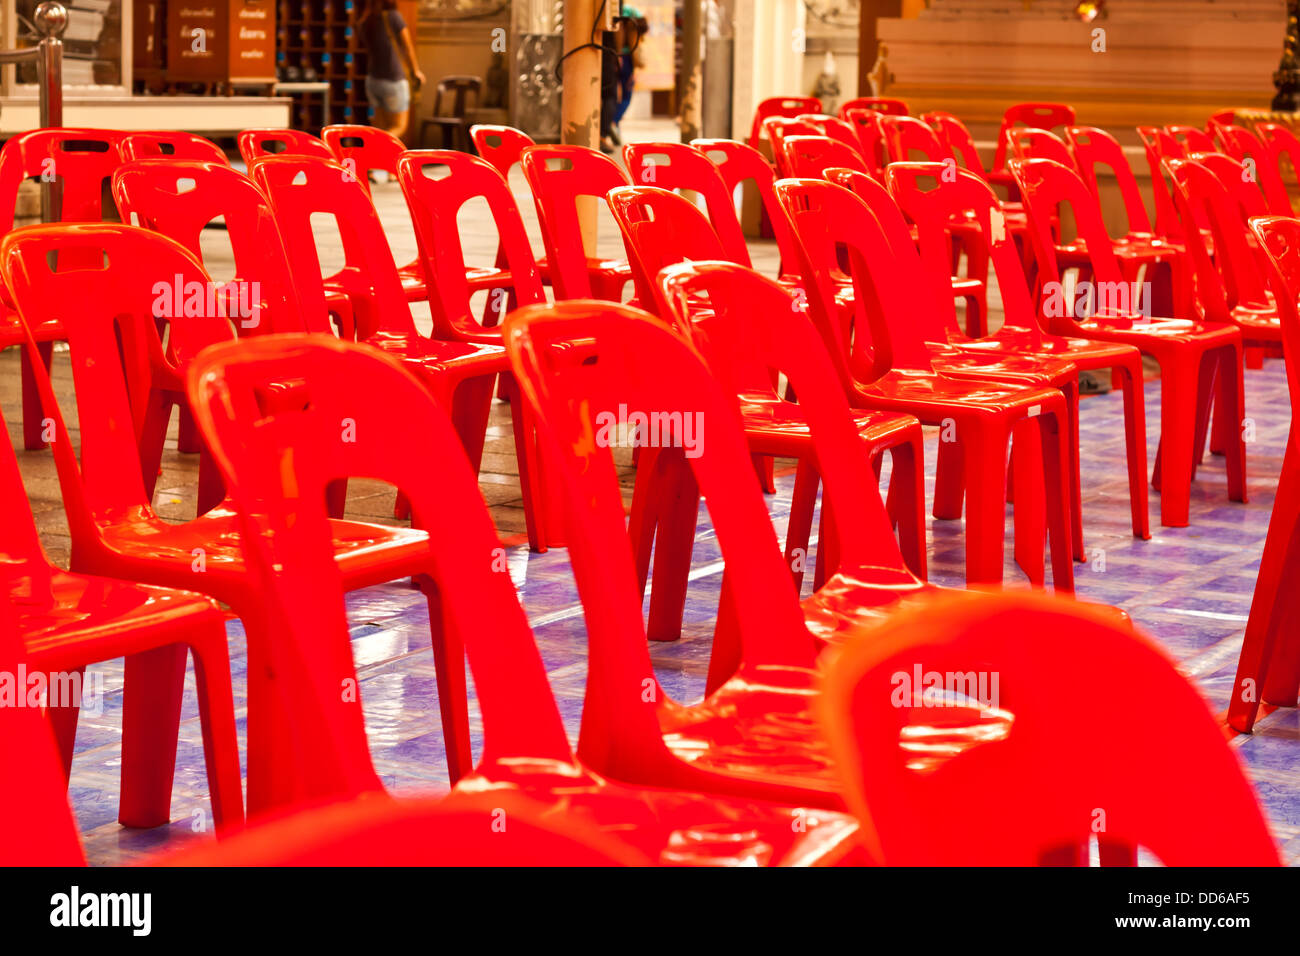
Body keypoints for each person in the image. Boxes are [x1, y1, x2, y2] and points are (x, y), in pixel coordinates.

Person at [362, 0, 426, 139]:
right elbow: (407, 47)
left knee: (381, 128)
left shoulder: (367, 20)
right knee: (399, 126)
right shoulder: (393, 16)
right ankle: (378, 146)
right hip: (393, 80)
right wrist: (415, 71)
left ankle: (376, 157)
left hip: (372, 81)